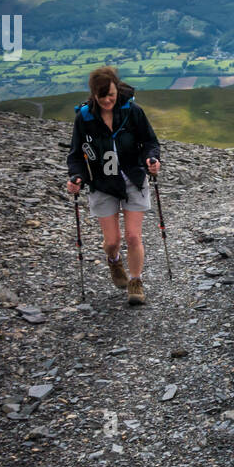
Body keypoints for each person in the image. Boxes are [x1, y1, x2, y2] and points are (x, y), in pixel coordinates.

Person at [66, 66, 161, 305]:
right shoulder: (85, 118)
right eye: (102, 96)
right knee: (112, 242)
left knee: (133, 236)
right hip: (102, 182)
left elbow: (149, 141)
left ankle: (136, 282)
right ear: (94, 95)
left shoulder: (132, 112)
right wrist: (76, 177)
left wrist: (152, 158)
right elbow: (76, 155)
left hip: (133, 178)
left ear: (117, 89)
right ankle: (114, 260)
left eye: (111, 94)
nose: (108, 100)